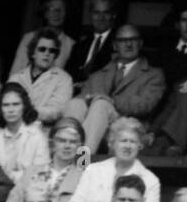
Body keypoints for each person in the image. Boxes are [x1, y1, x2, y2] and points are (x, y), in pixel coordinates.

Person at [62, 24, 166, 155]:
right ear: (115, 46)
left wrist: (110, 100)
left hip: (128, 130)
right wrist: (91, 100)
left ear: (140, 43)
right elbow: (83, 98)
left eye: (133, 39)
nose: (128, 44)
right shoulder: (98, 75)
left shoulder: (153, 74)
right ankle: (66, 157)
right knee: (75, 103)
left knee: (101, 105)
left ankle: (81, 163)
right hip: (95, 128)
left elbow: (145, 105)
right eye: (123, 40)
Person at [0, 116, 87, 202]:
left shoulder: (85, 176)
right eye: (61, 140)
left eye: (72, 142)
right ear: (52, 143)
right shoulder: (31, 171)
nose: (67, 146)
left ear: (80, 146)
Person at [67, 118, 161, 202]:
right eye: (123, 141)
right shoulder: (92, 170)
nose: (128, 146)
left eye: (133, 141)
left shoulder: (150, 180)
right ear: (112, 144)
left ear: (139, 146)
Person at [0, 83, 49, 185]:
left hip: (29, 191)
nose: (10, 110)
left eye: (16, 104)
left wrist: (9, 176)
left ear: (24, 106)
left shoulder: (37, 136)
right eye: (6, 105)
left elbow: (40, 175)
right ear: (0, 108)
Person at [9, 28, 73, 124]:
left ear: (55, 55)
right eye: (42, 49)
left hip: (43, 131)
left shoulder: (64, 79)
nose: (47, 53)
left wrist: (26, 111)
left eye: (52, 51)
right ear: (33, 53)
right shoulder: (16, 78)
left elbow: (57, 110)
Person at [8, 0, 75, 75]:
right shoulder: (29, 38)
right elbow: (16, 69)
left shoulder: (71, 44)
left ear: (66, 14)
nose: (56, 14)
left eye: (61, 10)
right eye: (52, 9)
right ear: (46, 14)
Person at [65, 0, 117, 85]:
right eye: (96, 13)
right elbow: (68, 74)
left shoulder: (119, 43)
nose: (101, 17)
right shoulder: (79, 46)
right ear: (90, 15)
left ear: (113, 15)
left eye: (106, 13)